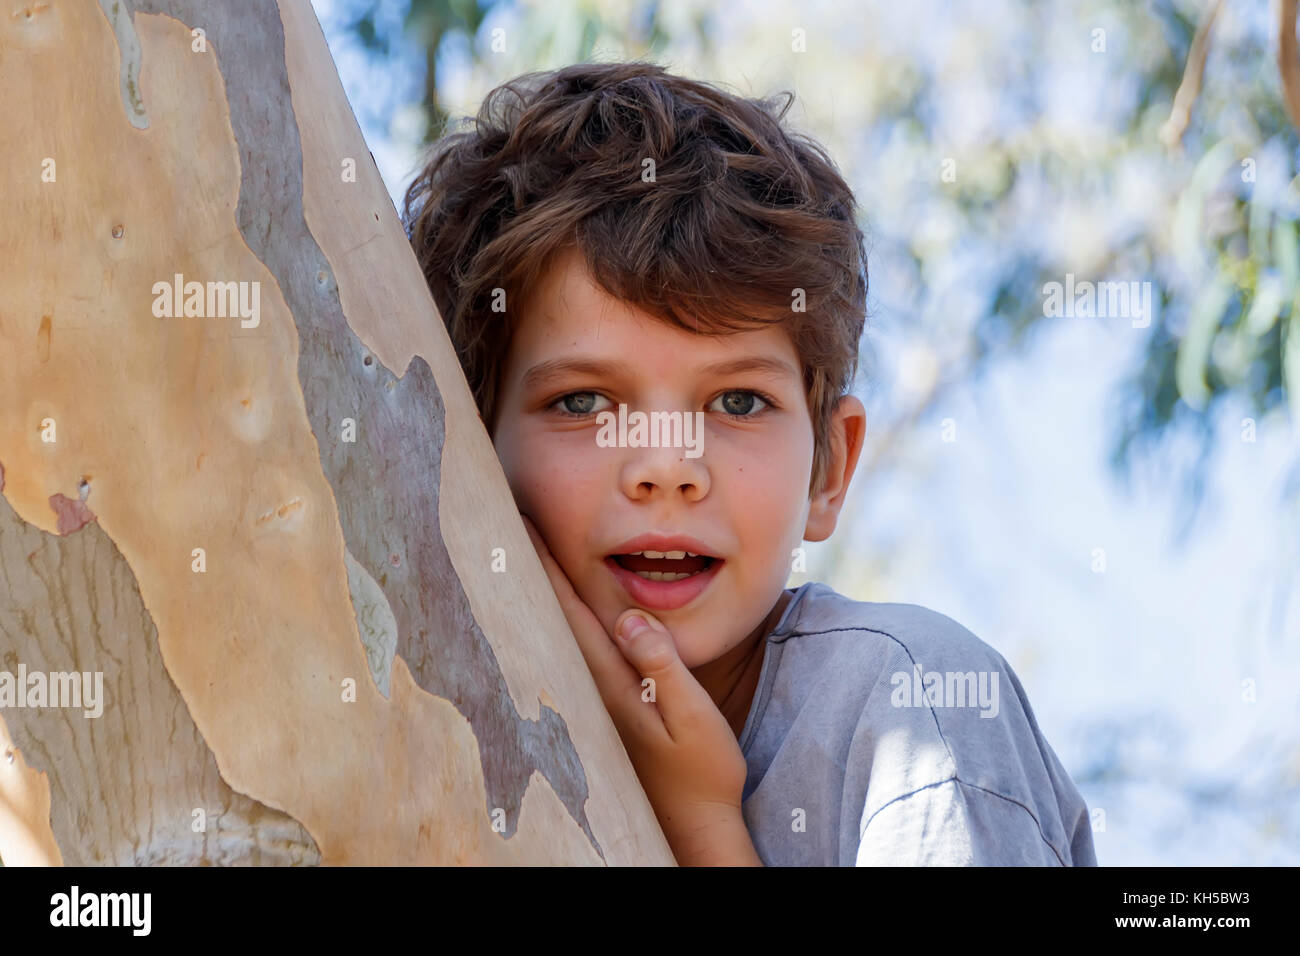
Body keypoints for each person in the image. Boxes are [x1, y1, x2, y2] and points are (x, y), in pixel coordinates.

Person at [403, 61, 1097, 867]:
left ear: (828, 470)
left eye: (736, 403)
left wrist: (703, 826)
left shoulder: (911, 706)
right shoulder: (429, 725)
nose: (667, 469)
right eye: (584, 403)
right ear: (473, 461)